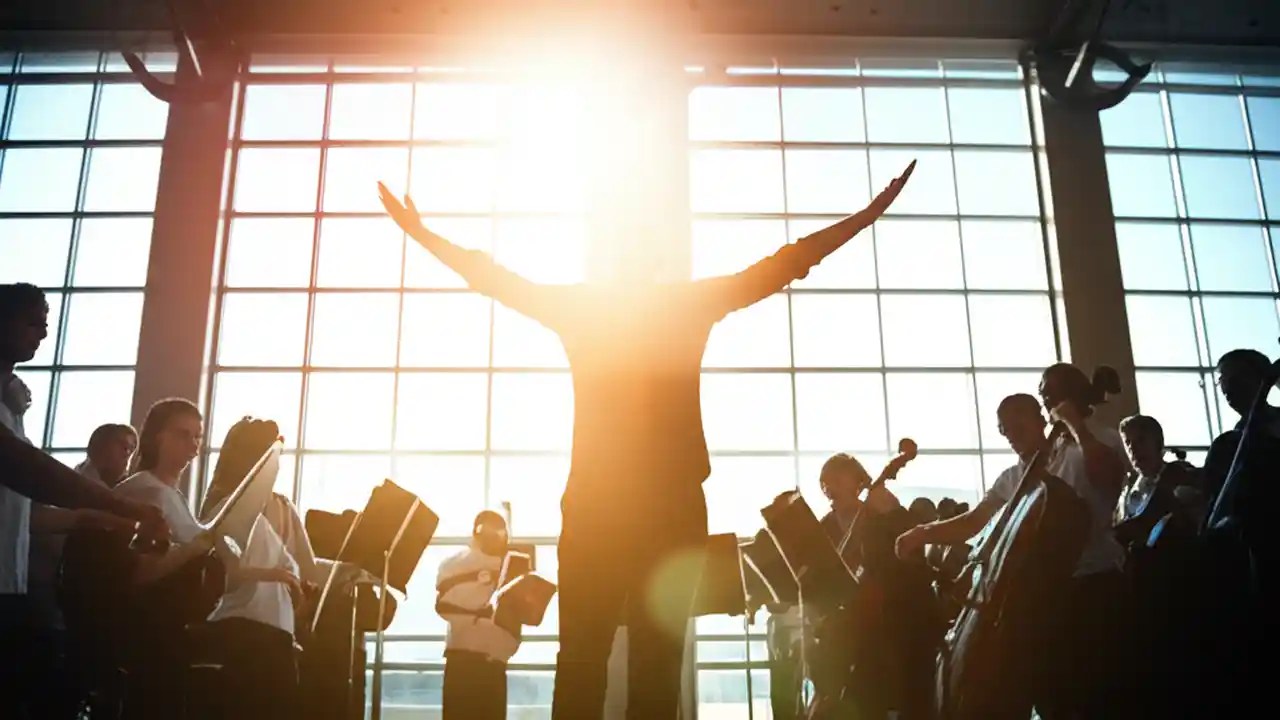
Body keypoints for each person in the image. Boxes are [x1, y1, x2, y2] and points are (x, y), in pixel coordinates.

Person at [379, 162, 914, 719]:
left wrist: (421, 234)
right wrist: (865, 216)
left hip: (602, 510)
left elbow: (494, 278)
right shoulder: (681, 304)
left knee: (585, 662)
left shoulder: (589, 308)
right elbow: (786, 264)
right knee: (648, 664)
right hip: (660, 511)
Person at [896, 368, 1130, 718]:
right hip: (1046, 597)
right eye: (1005, 430)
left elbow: (1108, 478)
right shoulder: (1015, 477)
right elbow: (976, 520)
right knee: (1052, 697)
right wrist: (923, 532)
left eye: (1018, 426)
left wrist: (1075, 425)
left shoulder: (1094, 441)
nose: (1011, 435)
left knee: (1097, 694)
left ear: (1041, 418)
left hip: (1093, 584)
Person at [1, 283, 167, 719]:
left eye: (46, 323)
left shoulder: (12, 408)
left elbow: (27, 514)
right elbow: (27, 469)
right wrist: (124, 508)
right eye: (32, 319)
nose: (41, 332)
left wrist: (95, 519)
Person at [197, 417, 329, 719]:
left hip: (276, 626)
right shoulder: (225, 508)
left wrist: (345, 571)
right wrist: (284, 577)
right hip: (244, 626)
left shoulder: (281, 506)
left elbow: (306, 568)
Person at [436, 510, 520, 720]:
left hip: (477, 660)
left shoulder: (452, 566)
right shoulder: (460, 566)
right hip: (477, 661)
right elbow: (445, 606)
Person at [1114, 414, 1204, 537]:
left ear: (1158, 442)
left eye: (1141, 440)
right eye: (1128, 442)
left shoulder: (1182, 476)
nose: (1133, 448)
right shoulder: (1126, 493)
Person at [77, 423, 139, 488]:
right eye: (124, 447)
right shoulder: (79, 483)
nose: (127, 454)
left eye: (131, 450)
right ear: (101, 446)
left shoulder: (126, 488)